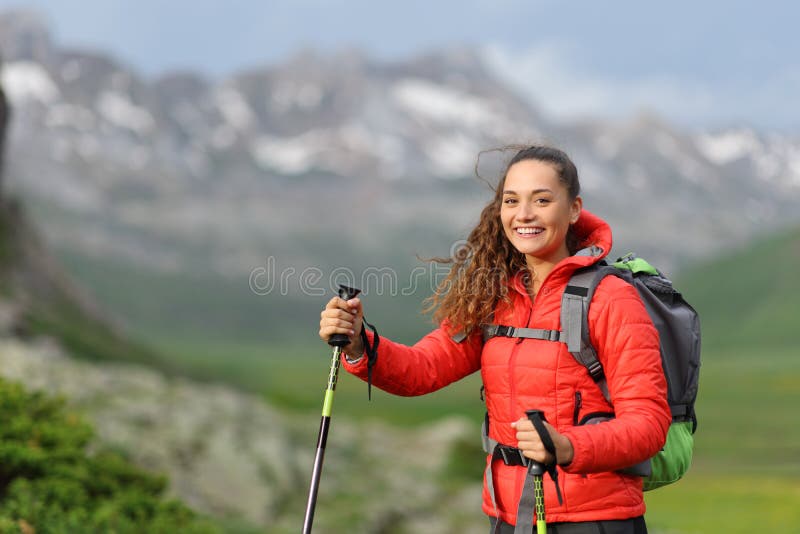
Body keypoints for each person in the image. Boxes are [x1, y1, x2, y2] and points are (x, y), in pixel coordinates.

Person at [319, 145, 670, 533]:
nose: (524, 214)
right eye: (512, 200)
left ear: (573, 209)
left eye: (542, 200)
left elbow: (648, 424)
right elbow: (422, 369)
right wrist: (358, 343)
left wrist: (568, 447)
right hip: (508, 516)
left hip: (595, 521)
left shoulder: (612, 298)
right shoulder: (494, 297)